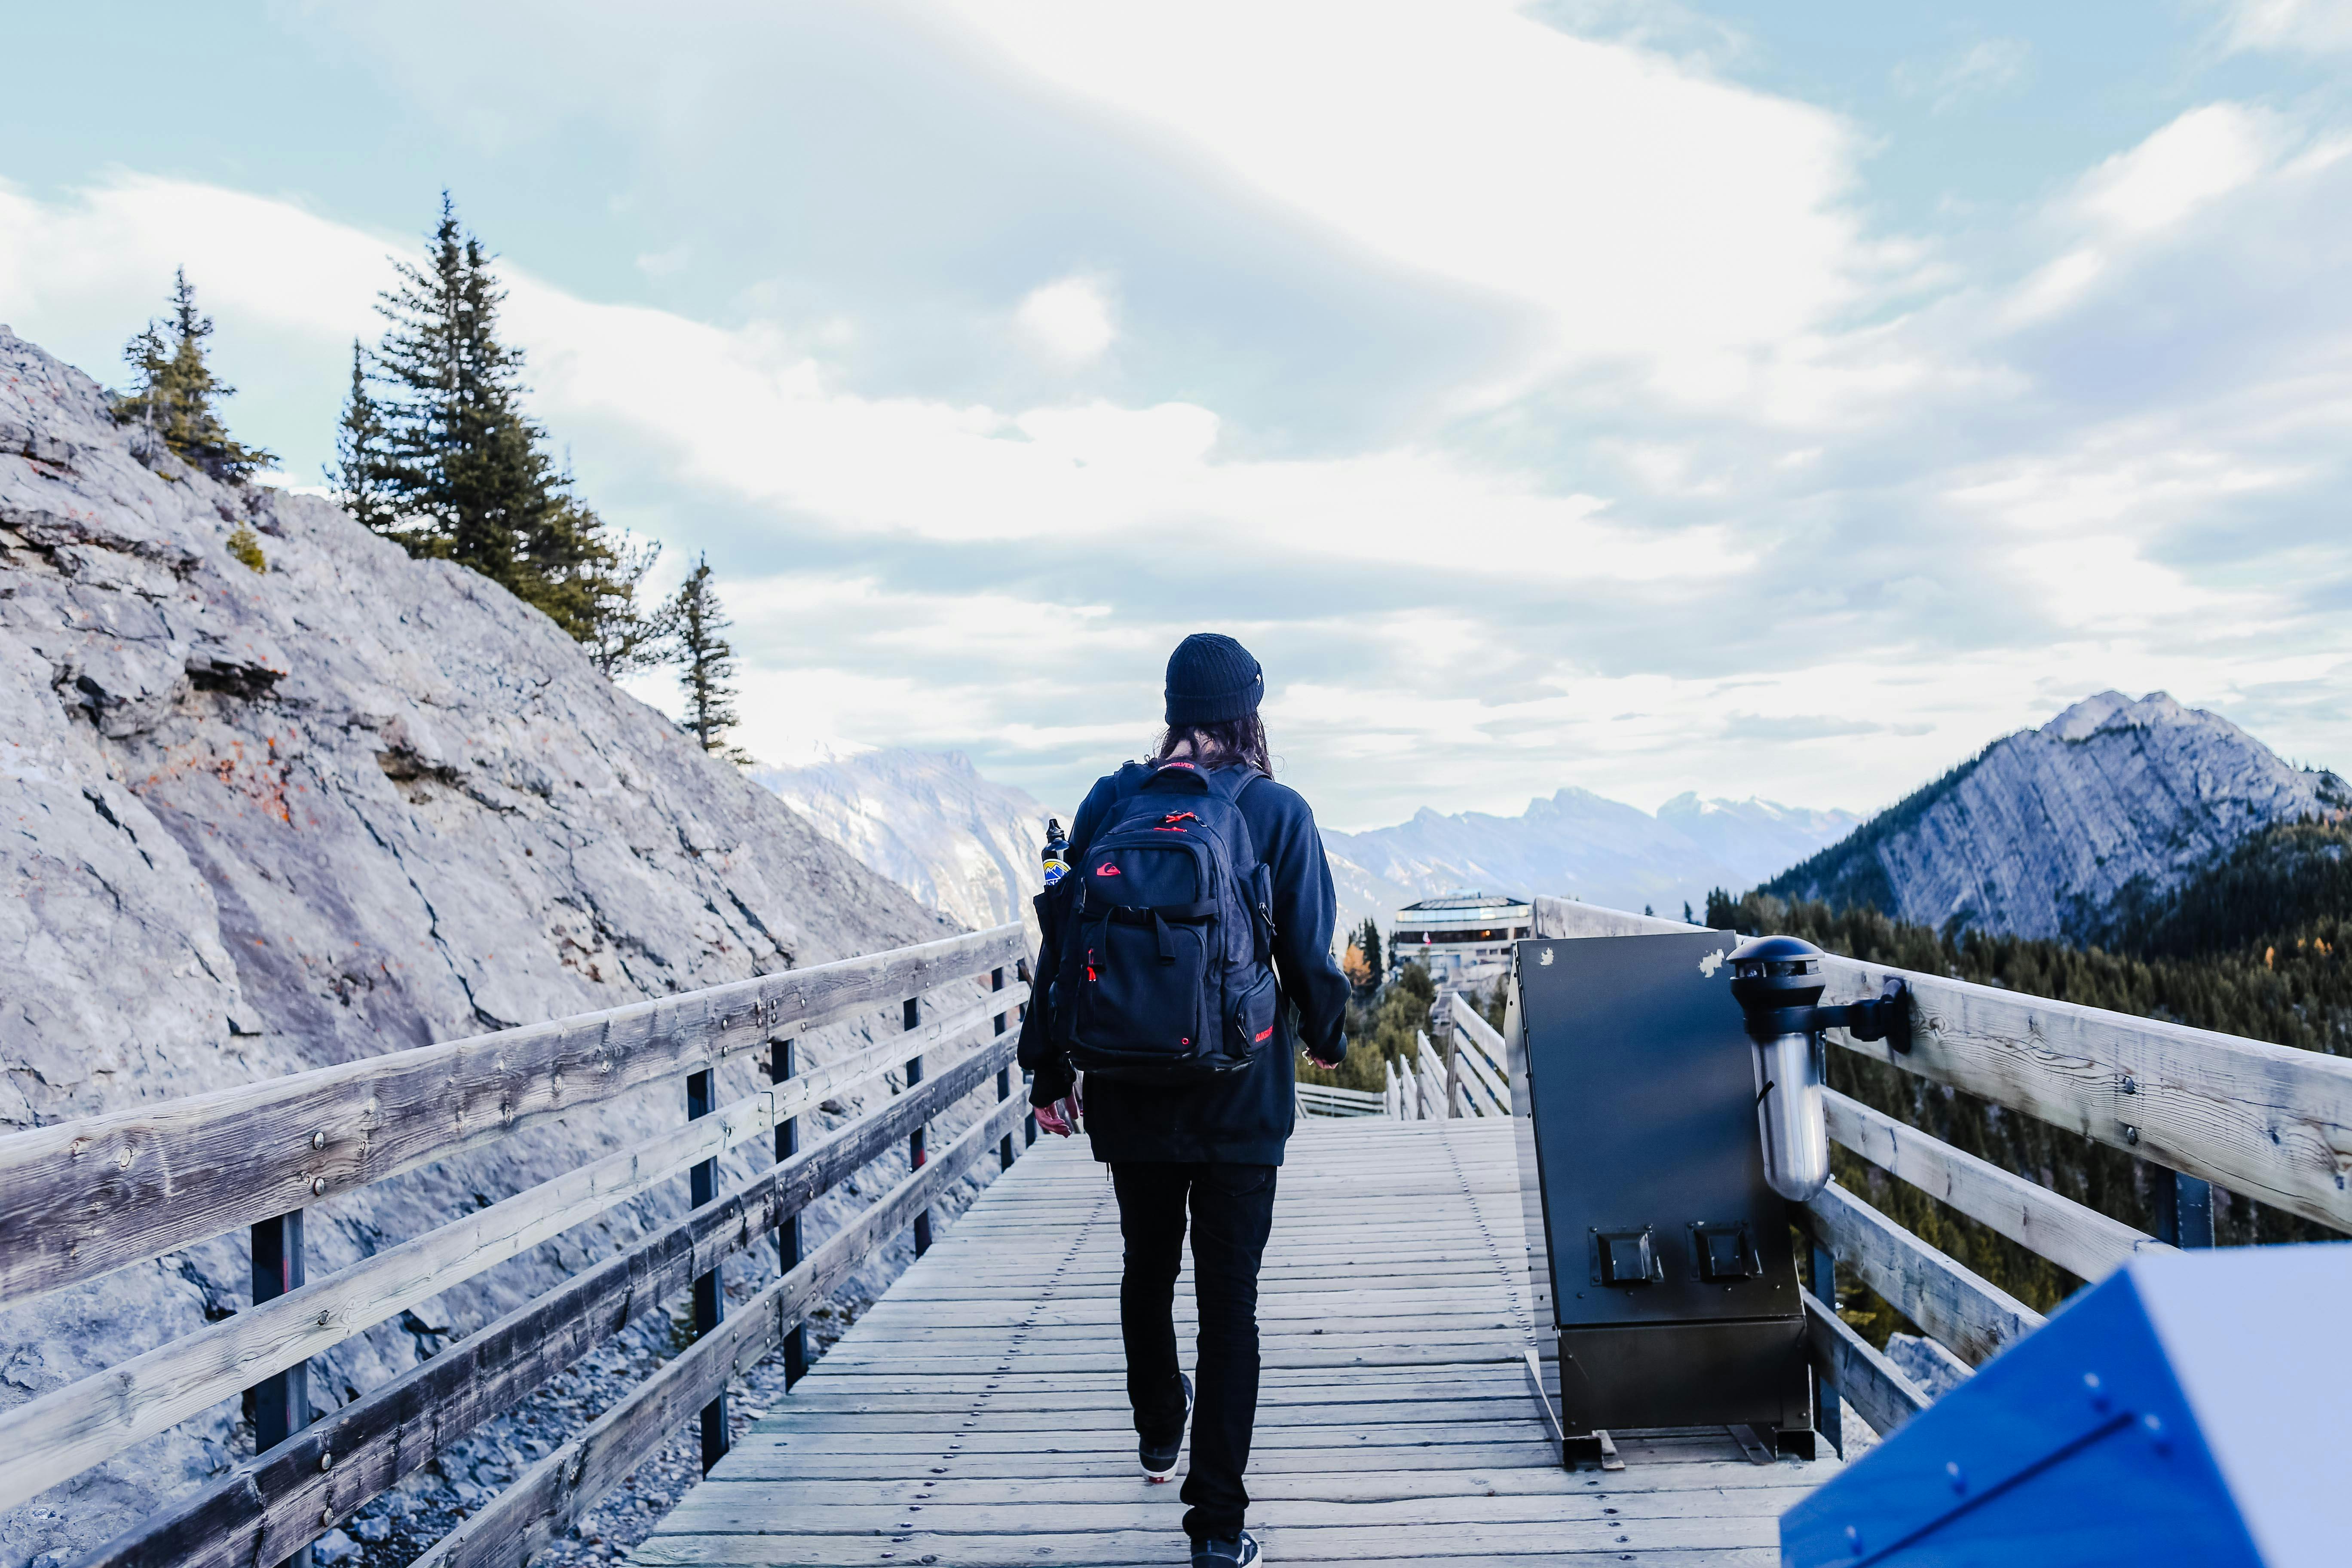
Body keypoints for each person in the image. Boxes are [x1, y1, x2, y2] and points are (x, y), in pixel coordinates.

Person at [1019, 632, 1350, 1568]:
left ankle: (1160, 1426)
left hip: (1128, 1085)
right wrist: (1326, 1038)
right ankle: (1217, 1530)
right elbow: (1311, 956)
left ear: (1171, 710)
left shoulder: (1111, 802)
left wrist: (1048, 1070)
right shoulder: (1277, 810)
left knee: (1147, 1265)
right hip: (1242, 1093)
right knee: (1229, 1306)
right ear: (1250, 713)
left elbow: (1061, 951)